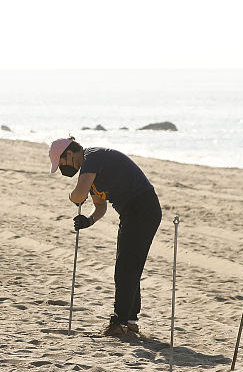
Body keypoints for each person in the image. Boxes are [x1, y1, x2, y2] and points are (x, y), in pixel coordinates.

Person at [49, 137, 162, 337]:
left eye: (61, 163)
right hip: (132, 213)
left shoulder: (91, 158)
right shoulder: (91, 170)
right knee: (129, 267)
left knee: (126, 268)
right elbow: (100, 206)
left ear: (69, 153)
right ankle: (130, 321)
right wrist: (89, 221)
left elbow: (78, 196)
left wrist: (71, 196)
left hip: (142, 208)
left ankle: (119, 323)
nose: (62, 170)